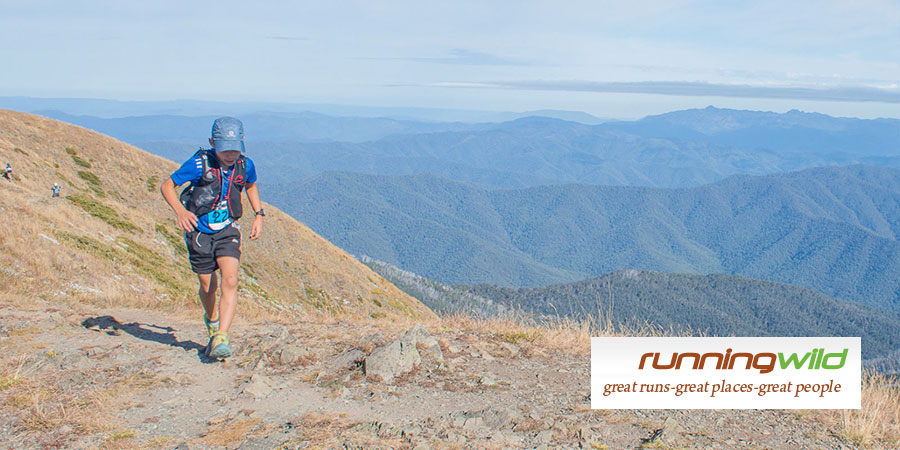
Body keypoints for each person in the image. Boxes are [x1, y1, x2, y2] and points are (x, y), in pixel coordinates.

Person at [160, 117, 265, 360]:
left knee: (230, 279)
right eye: (224, 149)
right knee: (208, 286)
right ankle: (212, 320)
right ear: (212, 143)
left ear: (243, 143)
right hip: (199, 232)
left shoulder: (245, 165)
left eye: (234, 148)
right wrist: (180, 211)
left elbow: (250, 185)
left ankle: (221, 336)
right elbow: (168, 185)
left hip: (228, 229)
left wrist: (258, 214)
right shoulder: (198, 165)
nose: (230, 154)